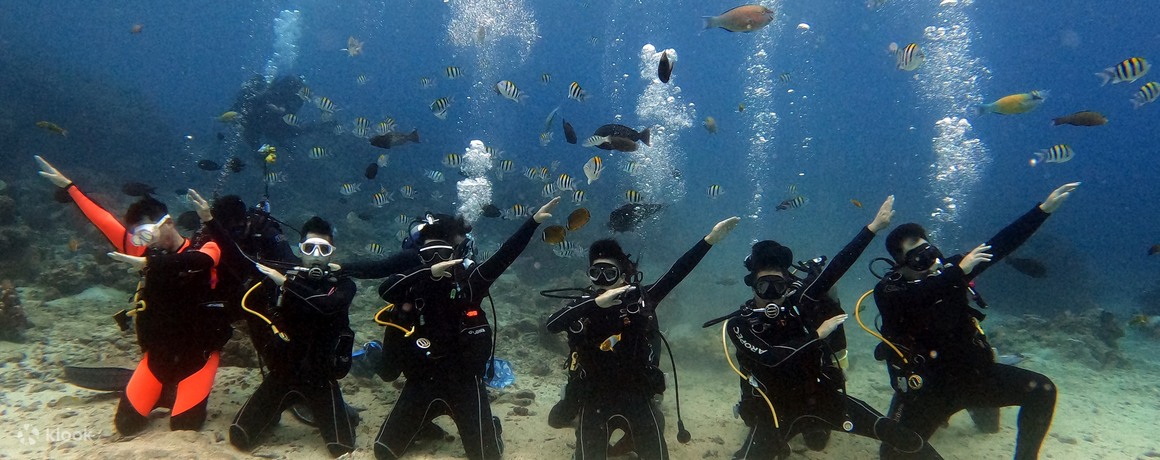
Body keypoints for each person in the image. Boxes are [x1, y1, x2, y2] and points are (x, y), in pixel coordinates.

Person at [720, 197, 941, 459]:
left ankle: (815, 429)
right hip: (772, 410)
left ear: (788, 286)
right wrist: (817, 335)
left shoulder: (799, 303)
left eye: (778, 287)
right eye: (763, 286)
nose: (771, 295)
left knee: (898, 436)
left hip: (821, 397)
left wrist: (872, 228)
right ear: (752, 286)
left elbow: (835, 270)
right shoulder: (739, 324)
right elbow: (769, 358)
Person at [874, 183, 1079, 460]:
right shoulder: (890, 290)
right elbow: (918, 298)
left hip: (975, 377)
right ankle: (937, 418)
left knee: (1042, 391)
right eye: (920, 257)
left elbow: (1002, 244)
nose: (932, 261)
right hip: (927, 390)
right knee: (892, 454)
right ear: (900, 264)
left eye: (931, 251)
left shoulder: (955, 268)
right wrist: (957, 272)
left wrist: (1043, 210)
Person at [34, 156, 232, 434]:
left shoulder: (205, 247)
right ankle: (162, 390)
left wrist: (151, 264)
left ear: (169, 222)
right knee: (125, 426)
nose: (146, 242)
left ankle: (178, 392)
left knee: (184, 426)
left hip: (198, 355)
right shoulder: (142, 252)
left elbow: (202, 262)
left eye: (149, 232)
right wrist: (69, 187)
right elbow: (103, 220)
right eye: (139, 236)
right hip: (158, 354)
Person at [371, 197, 560, 460]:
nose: (437, 261)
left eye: (445, 254)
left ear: (456, 255)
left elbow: (504, 256)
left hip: (465, 384)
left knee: (487, 457)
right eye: (429, 255)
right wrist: (424, 274)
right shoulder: (409, 286)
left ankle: (491, 427)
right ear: (418, 257)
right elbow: (383, 287)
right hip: (420, 382)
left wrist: (532, 222)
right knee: (383, 452)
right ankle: (422, 424)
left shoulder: (470, 283)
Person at [545, 216, 741, 460]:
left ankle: (635, 435)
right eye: (596, 273)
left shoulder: (640, 299)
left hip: (635, 391)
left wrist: (709, 240)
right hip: (592, 393)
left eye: (609, 272)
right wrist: (595, 304)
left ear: (623, 274)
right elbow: (552, 325)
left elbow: (676, 273)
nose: (602, 280)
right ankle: (578, 419)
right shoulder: (585, 304)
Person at [214, 210, 357, 457]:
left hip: (321, 379)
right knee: (239, 435)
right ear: (300, 248)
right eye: (310, 248)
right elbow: (239, 258)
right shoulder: (283, 275)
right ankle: (287, 405)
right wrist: (209, 220)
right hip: (282, 374)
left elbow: (327, 305)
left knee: (342, 447)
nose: (316, 256)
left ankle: (334, 409)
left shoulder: (342, 285)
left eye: (324, 250)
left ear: (332, 253)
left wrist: (286, 284)